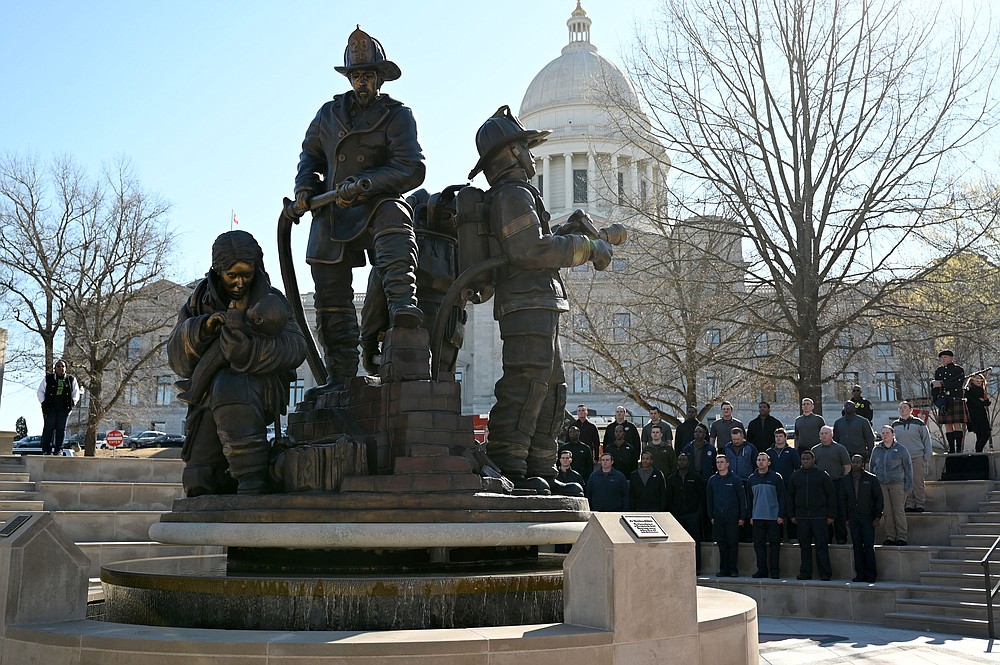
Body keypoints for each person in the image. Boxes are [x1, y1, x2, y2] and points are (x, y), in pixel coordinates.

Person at [469, 106, 612, 493]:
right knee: (527, 381)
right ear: (513, 153)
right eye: (527, 149)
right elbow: (529, 251)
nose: (532, 157)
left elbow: (535, 245)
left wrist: (569, 231)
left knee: (553, 388)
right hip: (525, 302)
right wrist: (584, 245)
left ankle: (540, 465)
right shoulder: (512, 194)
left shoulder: (520, 194)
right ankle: (509, 463)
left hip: (539, 300)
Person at [292, 27, 425, 395]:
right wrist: (306, 188)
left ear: (380, 78)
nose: (362, 82)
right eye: (356, 75)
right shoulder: (328, 114)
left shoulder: (398, 116)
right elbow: (311, 157)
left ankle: (402, 308)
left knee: (396, 217)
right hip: (333, 210)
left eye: (368, 75)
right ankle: (340, 375)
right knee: (328, 292)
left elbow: (411, 167)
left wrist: (367, 184)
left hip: (376, 205)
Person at [168, 231, 307, 496]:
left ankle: (252, 480)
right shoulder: (198, 303)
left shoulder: (271, 301)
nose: (240, 282)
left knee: (229, 384)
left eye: (247, 274)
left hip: (256, 387)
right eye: (232, 275)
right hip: (205, 394)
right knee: (199, 478)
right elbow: (176, 357)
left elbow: (296, 347)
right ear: (217, 271)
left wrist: (249, 351)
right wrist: (202, 329)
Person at [787, 449, 836, 581]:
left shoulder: (822, 475)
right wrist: (791, 514)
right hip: (802, 517)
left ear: (813, 460)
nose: (805, 461)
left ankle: (825, 573)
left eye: (808, 459)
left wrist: (830, 515)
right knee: (804, 547)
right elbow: (790, 497)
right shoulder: (795, 476)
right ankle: (805, 572)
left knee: (821, 546)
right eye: (803, 459)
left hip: (819, 517)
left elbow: (831, 495)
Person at [840, 454, 883, 583]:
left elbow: (879, 499)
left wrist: (877, 516)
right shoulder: (845, 480)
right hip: (853, 518)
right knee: (857, 546)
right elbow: (842, 500)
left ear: (863, 463)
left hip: (867, 518)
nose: (855, 464)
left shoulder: (871, 479)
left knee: (868, 546)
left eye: (858, 462)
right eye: (853, 462)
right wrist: (846, 518)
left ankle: (871, 574)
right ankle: (860, 574)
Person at [870, 424, 913, 546]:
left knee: (898, 512)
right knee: (887, 513)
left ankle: (901, 537)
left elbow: (908, 468)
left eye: (887, 433)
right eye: (883, 433)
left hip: (898, 484)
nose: (884, 435)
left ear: (893, 434)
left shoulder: (901, 449)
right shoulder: (876, 450)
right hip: (882, 485)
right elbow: (872, 467)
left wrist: (909, 487)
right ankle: (890, 537)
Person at [706, 454, 747, 577]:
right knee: (721, 543)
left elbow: (742, 499)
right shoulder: (712, 480)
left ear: (727, 464)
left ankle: (733, 569)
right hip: (718, 516)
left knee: (732, 543)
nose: (719, 464)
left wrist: (742, 517)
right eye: (717, 462)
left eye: (722, 462)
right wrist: (711, 515)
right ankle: (723, 569)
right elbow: (709, 499)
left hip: (732, 516)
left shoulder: (735, 480)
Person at [665, 453, 706, 573]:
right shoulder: (671, 479)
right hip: (677, 516)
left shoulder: (696, 477)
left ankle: (696, 567)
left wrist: (698, 512)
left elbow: (702, 497)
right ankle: (679, 567)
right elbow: (669, 498)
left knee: (694, 541)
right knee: (679, 542)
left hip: (693, 515)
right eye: (680, 460)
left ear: (688, 462)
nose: (682, 462)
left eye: (684, 460)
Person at [811, 425, 851, 544]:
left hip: (837, 483)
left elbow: (847, 466)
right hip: (820, 486)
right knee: (823, 511)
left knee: (838, 511)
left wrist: (844, 480)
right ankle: (827, 537)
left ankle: (841, 537)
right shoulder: (814, 450)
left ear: (832, 435)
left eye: (826, 433)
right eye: (822, 434)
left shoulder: (840, 448)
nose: (824, 436)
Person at [748, 452, 786, 579]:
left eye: (763, 460)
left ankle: (775, 571)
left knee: (775, 545)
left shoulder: (776, 477)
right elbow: (749, 499)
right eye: (758, 459)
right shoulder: (751, 479)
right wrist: (750, 516)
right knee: (759, 545)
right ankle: (761, 570)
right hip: (757, 517)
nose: (760, 462)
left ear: (769, 462)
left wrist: (781, 514)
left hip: (773, 517)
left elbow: (782, 497)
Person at [892, 401, 932, 513]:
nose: (902, 410)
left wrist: (926, 457)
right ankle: (909, 503)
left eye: (905, 407)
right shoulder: (894, 425)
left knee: (917, 482)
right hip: (901, 459)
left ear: (910, 410)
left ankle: (920, 504)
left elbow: (926, 440)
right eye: (900, 408)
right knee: (905, 482)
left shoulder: (919, 423)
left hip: (917, 457)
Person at [36, 359, 79, 456]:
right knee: (48, 428)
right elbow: (40, 392)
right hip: (51, 408)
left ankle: (58, 450)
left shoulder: (71, 379)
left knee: (61, 429)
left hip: (64, 409)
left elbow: (75, 394)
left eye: (63, 366)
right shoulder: (48, 378)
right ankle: (46, 449)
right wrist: (44, 404)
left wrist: (70, 406)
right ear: (55, 368)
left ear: (66, 368)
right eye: (58, 366)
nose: (61, 368)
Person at [766, 427, 800, 541]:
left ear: (785, 438)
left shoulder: (792, 451)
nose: (778, 438)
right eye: (776, 436)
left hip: (789, 485)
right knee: (776, 511)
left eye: (781, 436)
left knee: (790, 510)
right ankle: (778, 536)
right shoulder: (769, 452)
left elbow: (798, 468)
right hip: (773, 486)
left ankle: (793, 536)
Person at [932, 349, 968, 453]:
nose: (943, 359)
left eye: (945, 357)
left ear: (951, 358)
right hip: (944, 400)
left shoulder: (958, 369)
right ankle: (951, 448)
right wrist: (935, 398)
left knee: (957, 423)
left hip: (955, 398)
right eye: (941, 357)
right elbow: (936, 387)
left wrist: (943, 384)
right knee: (947, 425)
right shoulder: (938, 371)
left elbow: (958, 384)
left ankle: (959, 448)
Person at [966, 372, 993, 453]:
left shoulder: (981, 389)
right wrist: (983, 402)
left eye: (980, 379)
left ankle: (978, 453)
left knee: (981, 435)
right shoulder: (969, 390)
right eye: (976, 379)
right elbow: (976, 402)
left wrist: (984, 402)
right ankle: (978, 452)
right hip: (975, 415)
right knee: (985, 433)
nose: (979, 380)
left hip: (981, 413)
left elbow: (986, 402)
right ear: (972, 380)